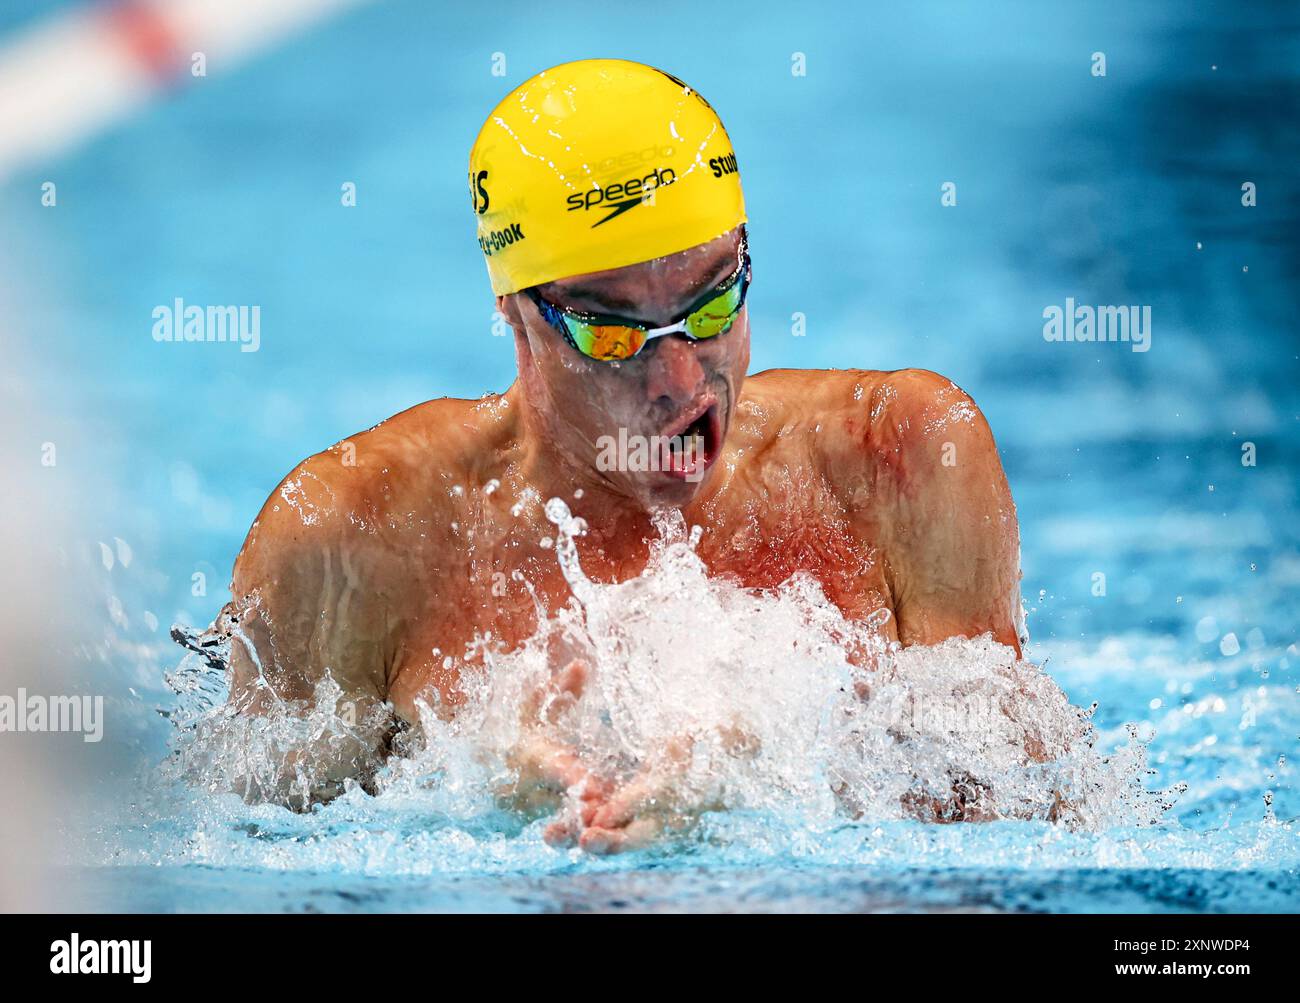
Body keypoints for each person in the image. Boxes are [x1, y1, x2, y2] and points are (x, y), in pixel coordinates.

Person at [209, 58, 1024, 852]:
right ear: (513, 308)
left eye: (711, 306)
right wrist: (465, 798)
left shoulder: (901, 460)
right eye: (613, 332)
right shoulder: (349, 540)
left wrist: (760, 787)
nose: (678, 380)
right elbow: (244, 862)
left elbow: (1026, 823)